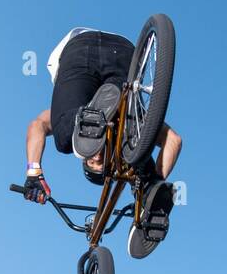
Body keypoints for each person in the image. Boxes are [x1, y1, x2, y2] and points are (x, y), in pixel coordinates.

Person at [23, 27, 182, 259]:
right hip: (126, 55)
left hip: (78, 51)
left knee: (64, 140)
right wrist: (155, 183)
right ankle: (149, 188)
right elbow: (174, 141)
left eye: (91, 159)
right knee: (131, 149)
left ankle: (90, 122)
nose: (96, 157)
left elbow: (37, 124)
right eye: (100, 159)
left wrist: (33, 171)